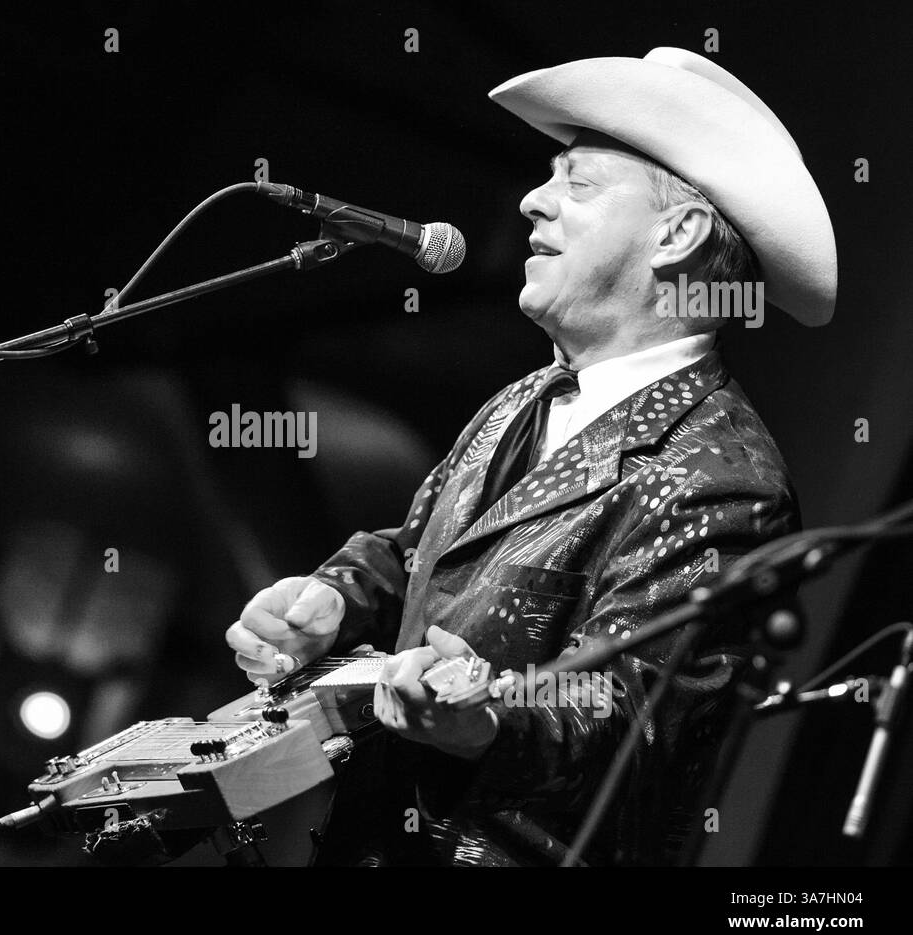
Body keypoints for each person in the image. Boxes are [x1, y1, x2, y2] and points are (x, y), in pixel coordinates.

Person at [224, 47, 837, 865]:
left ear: (679, 234)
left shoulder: (724, 480)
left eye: (577, 184)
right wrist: (334, 598)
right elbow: (417, 555)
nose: (533, 200)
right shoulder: (527, 396)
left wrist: (483, 720)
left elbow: (634, 715)